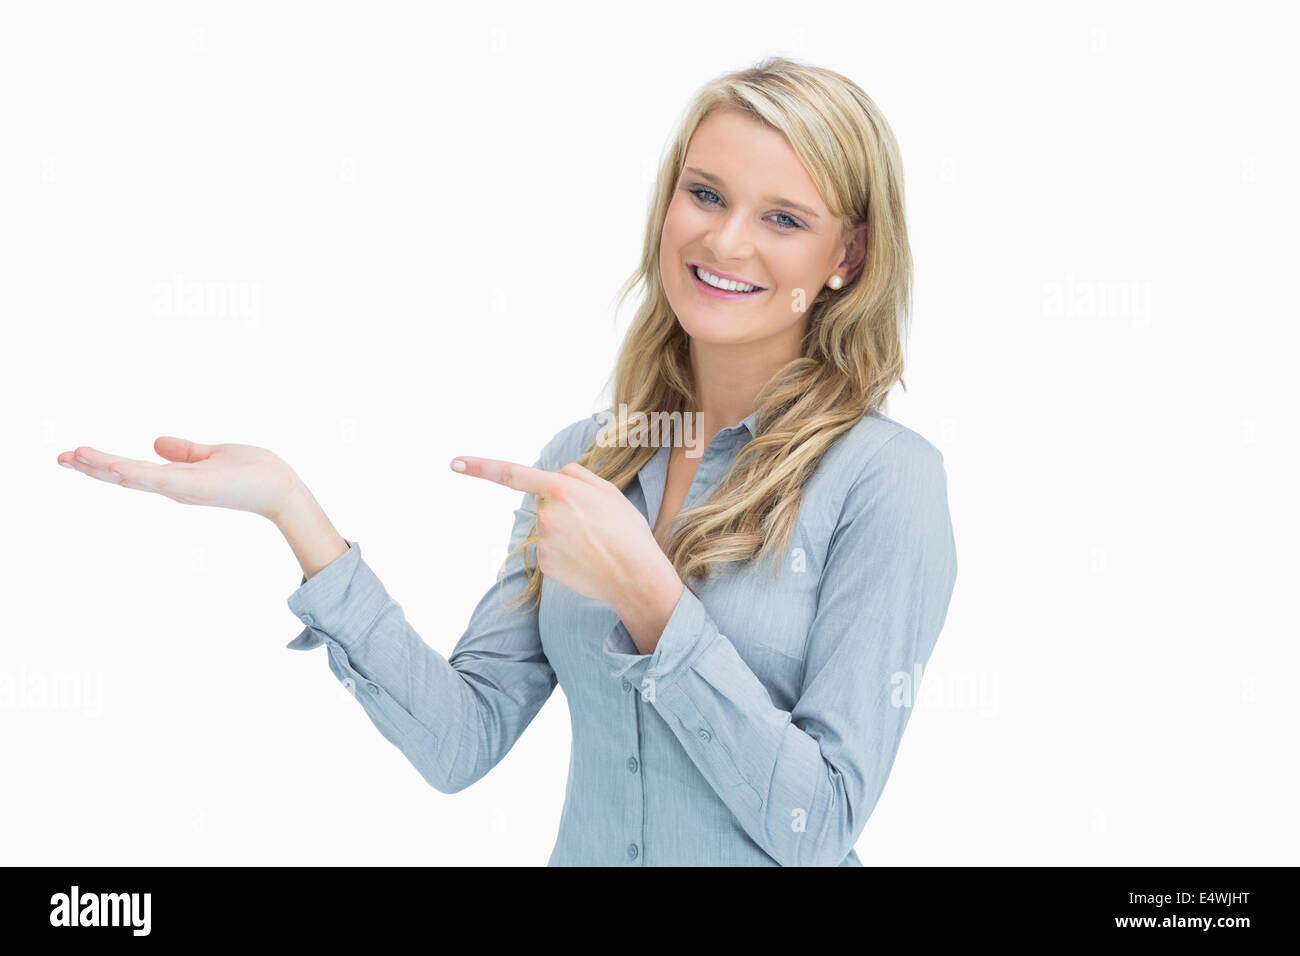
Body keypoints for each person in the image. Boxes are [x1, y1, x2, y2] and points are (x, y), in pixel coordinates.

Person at [56, 56, 958, 866]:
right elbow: (462, 739)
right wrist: (294, 511)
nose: (724, 243)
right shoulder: (587, 462)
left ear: (847, 255)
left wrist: (650, 598)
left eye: (785, 218)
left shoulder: (884, 483)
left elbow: (822, 822)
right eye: (706, 195)